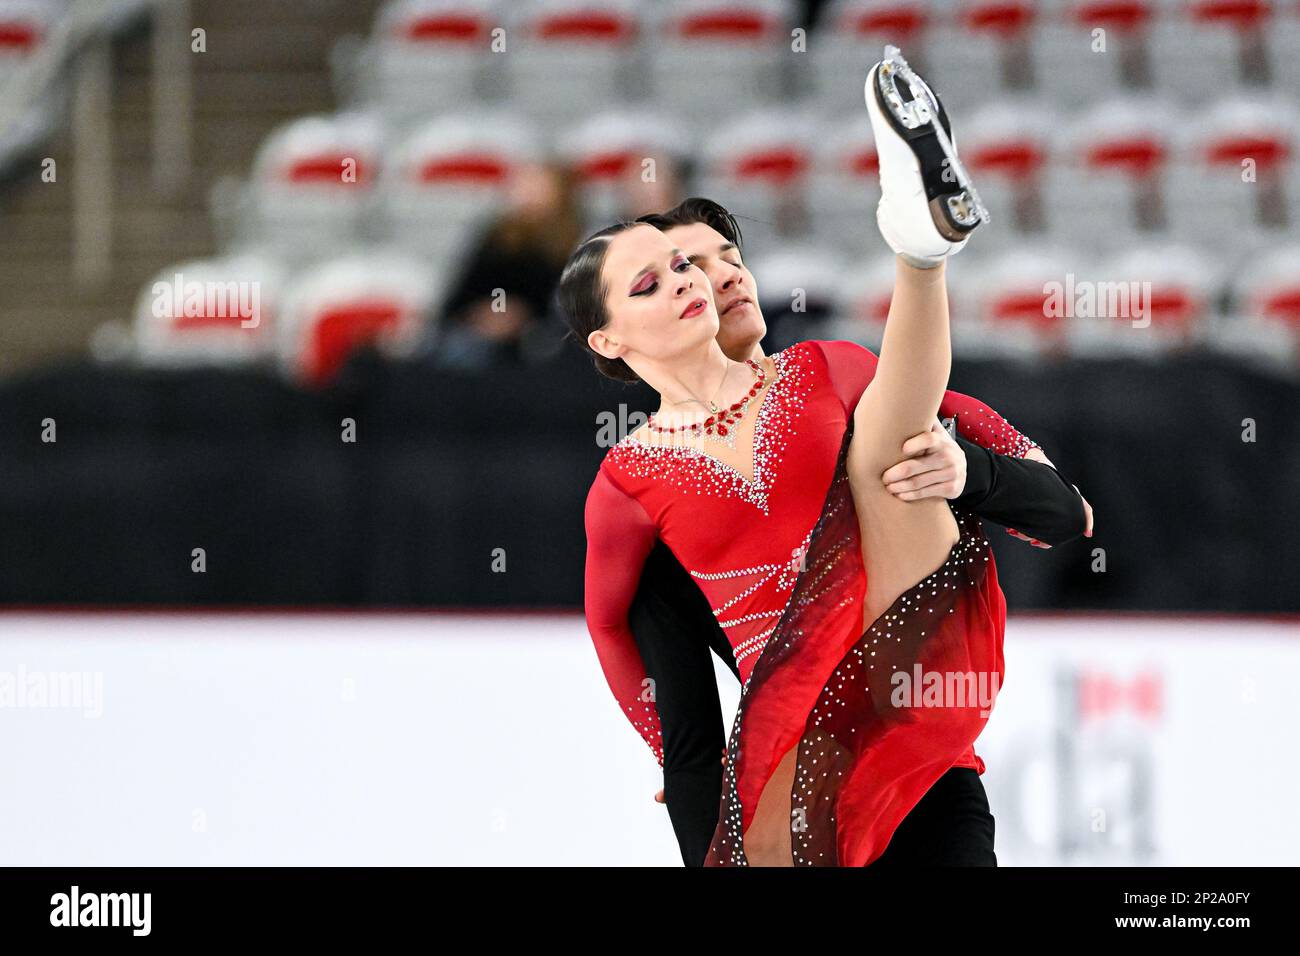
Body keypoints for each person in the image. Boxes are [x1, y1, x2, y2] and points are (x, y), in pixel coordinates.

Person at [567, 48, 1080, 865]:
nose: (714, 278)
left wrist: (970, 473)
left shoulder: (831, 369)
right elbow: (620, 633)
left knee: (886, 439)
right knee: (882, 433)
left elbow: (1068, 513)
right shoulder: (632, 477)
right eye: (680, 269)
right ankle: (917, 245)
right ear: (616, 333)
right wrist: (668, 749)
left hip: (917, 703)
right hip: (798, 750)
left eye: (723, 259)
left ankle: (919, 246)